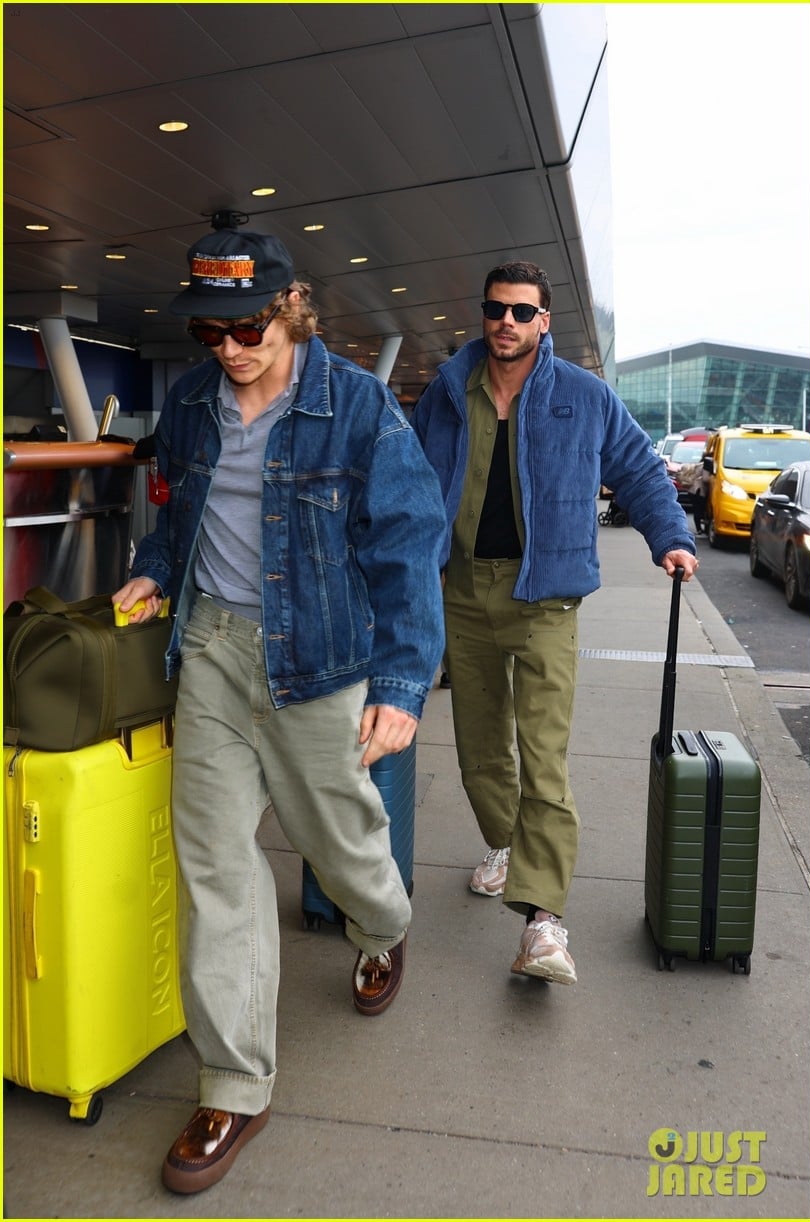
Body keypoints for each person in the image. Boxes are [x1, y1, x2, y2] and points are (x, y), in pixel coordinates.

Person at [113, 223, 446, 1194]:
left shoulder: (357, 407)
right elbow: (174, 510)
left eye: (247, 326)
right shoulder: (190, 404)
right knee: (214, 866)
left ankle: (384, 927)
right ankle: (234, 1085)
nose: (230, 349)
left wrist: (398, 684)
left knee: (345, 851)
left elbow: (409, 544)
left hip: (322, 661)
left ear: (293, 306)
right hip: (212, 655)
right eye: (211, 332)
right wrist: (152, 571)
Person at [412, 260, 697, 988]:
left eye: (520, 312)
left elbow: (638, 470)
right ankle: (506, 847)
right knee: (480, 754)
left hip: (546, 598)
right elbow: (406, 479)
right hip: (463, 591)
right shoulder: (449, 392)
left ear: (544, 322)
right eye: (494, 309)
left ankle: (541, 920)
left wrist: (670, 536)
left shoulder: (582, 396)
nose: (504, 322)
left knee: (540, 753)